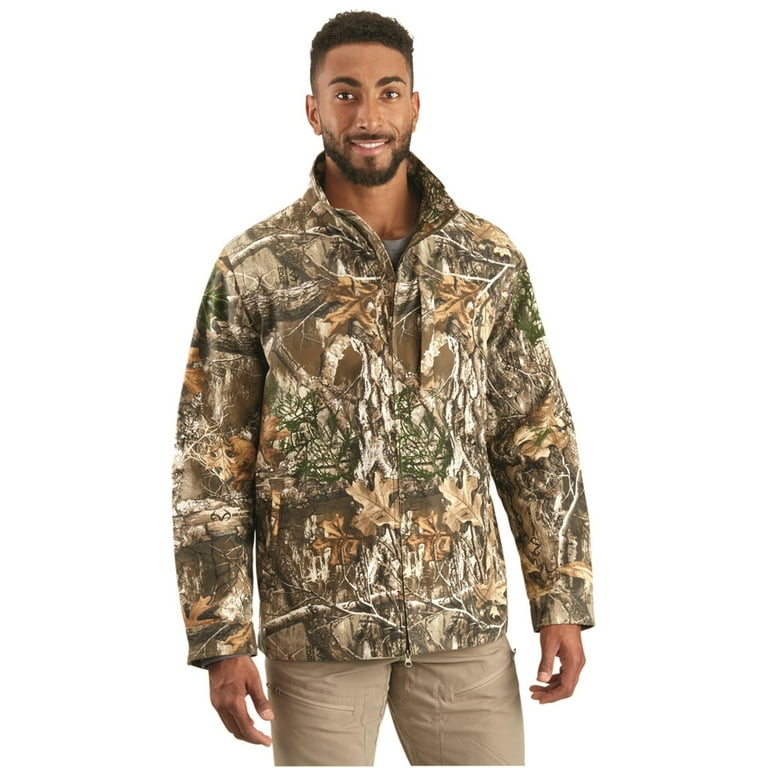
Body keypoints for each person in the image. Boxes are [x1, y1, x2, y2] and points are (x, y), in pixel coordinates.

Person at [172, 10, 594, 766]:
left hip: (461, 622)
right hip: (317, 630)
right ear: (313, 111)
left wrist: (561, 598)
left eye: (388, 92)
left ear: (415, 105)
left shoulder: (486, 259)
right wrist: (221, 637)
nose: (368, 116)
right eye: (346, 94)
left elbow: (535, 436)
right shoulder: (256, 266)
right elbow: (211, 460)